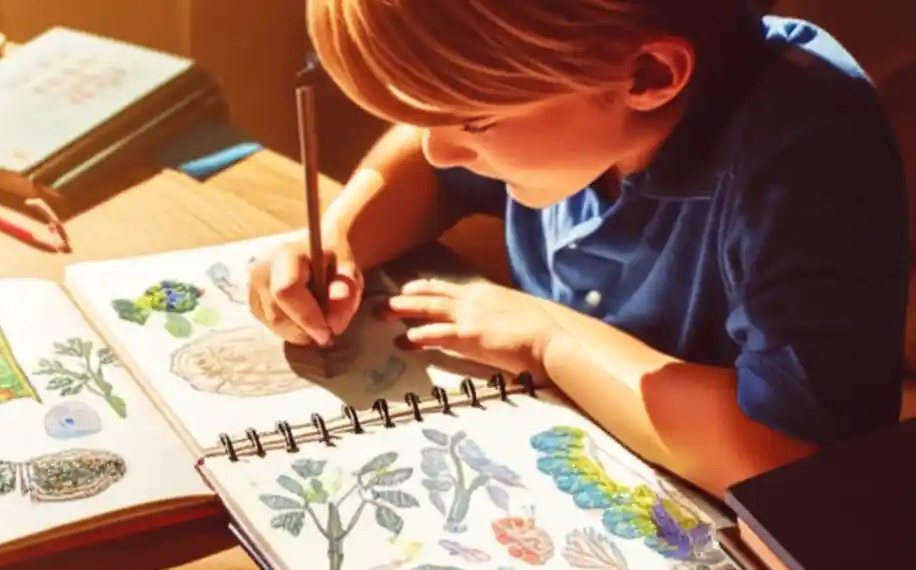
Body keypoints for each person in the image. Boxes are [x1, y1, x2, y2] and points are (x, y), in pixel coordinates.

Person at [246, 0, 911, 498]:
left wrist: (548, 341)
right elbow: (432, 166)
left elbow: (787, 455)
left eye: (473, 122)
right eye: (426, 114)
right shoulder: (574, 83)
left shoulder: (808, 150)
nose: (436, 146)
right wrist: (338, 234)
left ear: (649, 75)